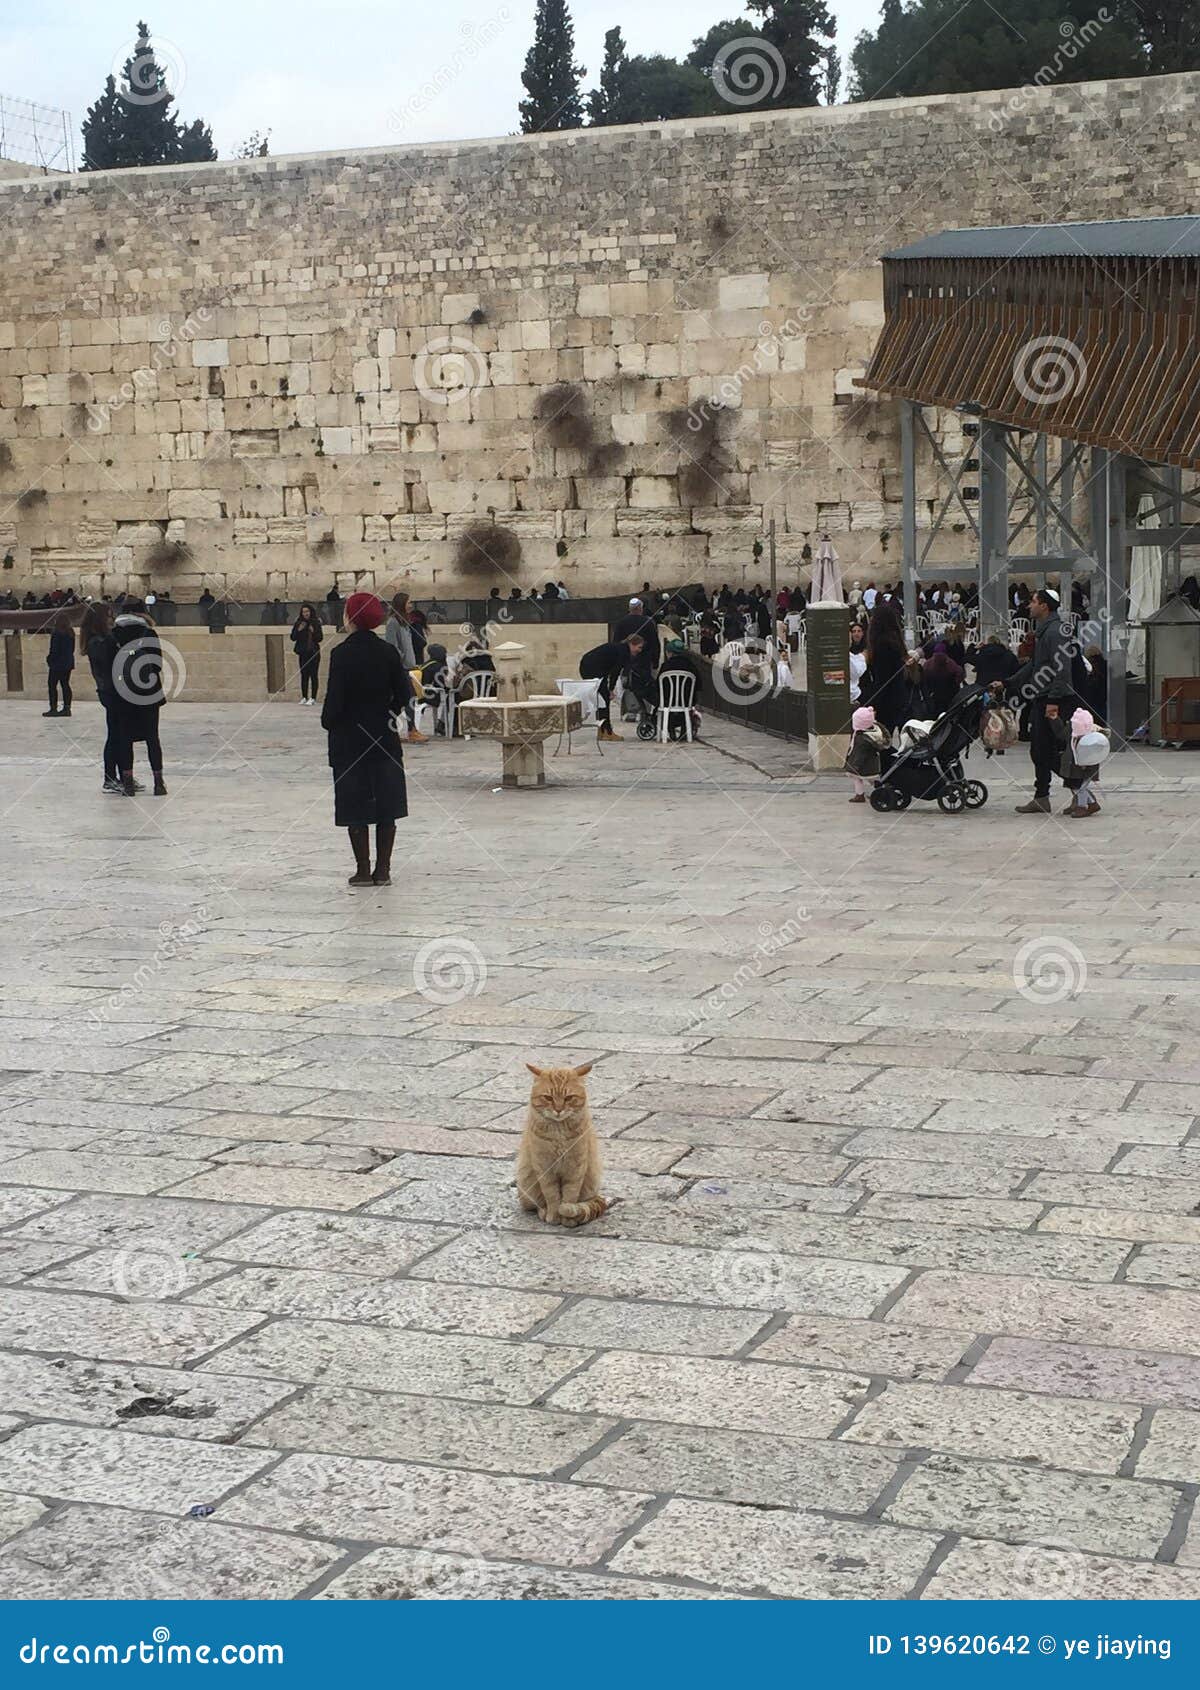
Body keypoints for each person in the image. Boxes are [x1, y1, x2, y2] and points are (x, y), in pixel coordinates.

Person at [321, 592, 413, 888]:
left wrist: (330, 721)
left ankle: (363, 870)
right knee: (386, 804)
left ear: (350, 617)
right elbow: (405, 693)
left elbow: (334, 700)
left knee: (355, 805)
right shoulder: (388, 652)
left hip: (349, 742)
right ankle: (383, 870)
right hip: (383, 738)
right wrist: (388, 714)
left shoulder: (341, 654)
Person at [1004, 588, 1079, 815]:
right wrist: (1009, 683)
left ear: (1044, 606)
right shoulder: (1045, 631)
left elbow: (1062, 668)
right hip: (1043, 697)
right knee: (1039, 750)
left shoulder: (1055, 632)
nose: (1029, 606)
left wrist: (1054, 701)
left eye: (1033, 602)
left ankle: (1082, 793)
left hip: (1053, 699)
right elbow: (1036, 665)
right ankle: (1042, 797)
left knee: (1047, 751)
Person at [112, 600, 168, 796]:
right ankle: (158, 783)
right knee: (152, 738)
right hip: (148, 694)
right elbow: (158, 664)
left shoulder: (115, 634)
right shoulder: (149, 633)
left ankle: (128, 784)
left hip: (123, 694)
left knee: (124, 739)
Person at [80, 601, 123, 792]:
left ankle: (124, 775)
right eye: (108, 616)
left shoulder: (102, 640)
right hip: (109, 692)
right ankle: (110, 778)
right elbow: (109, 663)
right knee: (115, 735)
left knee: (120, 735)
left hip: (114, 690)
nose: (111, 619)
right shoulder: (97, 642)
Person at [579, 633, 645, 741]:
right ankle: (607, 731)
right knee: (604, 699)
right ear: (632, 644)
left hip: (588, 666)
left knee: (602, 700)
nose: (640, 650)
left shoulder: (620, 648)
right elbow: (615, 671)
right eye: (639, 647)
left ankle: (602, 730)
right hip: (593, 668)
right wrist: (610, 689)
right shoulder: (623, 652)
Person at [860, 600, 910, 734]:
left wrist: (873, 703)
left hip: (886, 700)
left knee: (882, 737)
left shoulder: (883, 646)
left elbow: (883, 679)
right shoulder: (895, 642)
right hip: (896, 697)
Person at [383, 593, 427, 743]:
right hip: (399, 668)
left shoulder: (404, 622)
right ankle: (410, 730)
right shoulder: (393, 623)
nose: (411, 605)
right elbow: (391, 645)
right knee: (407, 698)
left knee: (408, 698)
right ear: (402, 603)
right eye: (409, 602)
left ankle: (408, 729)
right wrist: (401, 659)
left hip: (408, 666)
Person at [658, 637, 702, 741]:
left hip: (667, 701)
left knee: (663, 706)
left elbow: (658, 685)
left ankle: (670, 729)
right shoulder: (691, 666)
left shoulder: (665, 666)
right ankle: (684, 730)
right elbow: (699, 685)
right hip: (687, 702)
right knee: (688, 707)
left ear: (669, 653)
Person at [290, 602, 324, 704]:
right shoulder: (299, 623)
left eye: (307, 611)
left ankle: (313, 697)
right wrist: (299, 630)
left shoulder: (316, 622)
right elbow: (292, 637)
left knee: (314, 675)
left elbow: (320, 638)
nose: (306, 614)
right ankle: (304, 696)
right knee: (304, 675)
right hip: (303, 653)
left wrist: (313, 632)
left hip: (313, 652)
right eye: (304, 612)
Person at [44, 611, 75, 717]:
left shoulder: (57, 633)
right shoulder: (71, 633)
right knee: (65, 685)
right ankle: (67, 708)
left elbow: (54, 649)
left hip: (57, 664)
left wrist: (49, 659)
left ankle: (53, 708)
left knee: (52, 685)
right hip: (68, 663)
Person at [922, 642, 964, 717]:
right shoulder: (950, 663)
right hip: (950, 696)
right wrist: (955, 683)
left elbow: (923, 678)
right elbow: (960, 673)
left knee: (935, 715)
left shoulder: (928, 664)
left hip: (934, 696)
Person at [849, 622, 867, 703]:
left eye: (859, 631)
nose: (856, 634)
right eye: (854, 631)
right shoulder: (849, 649)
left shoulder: (866, 647)